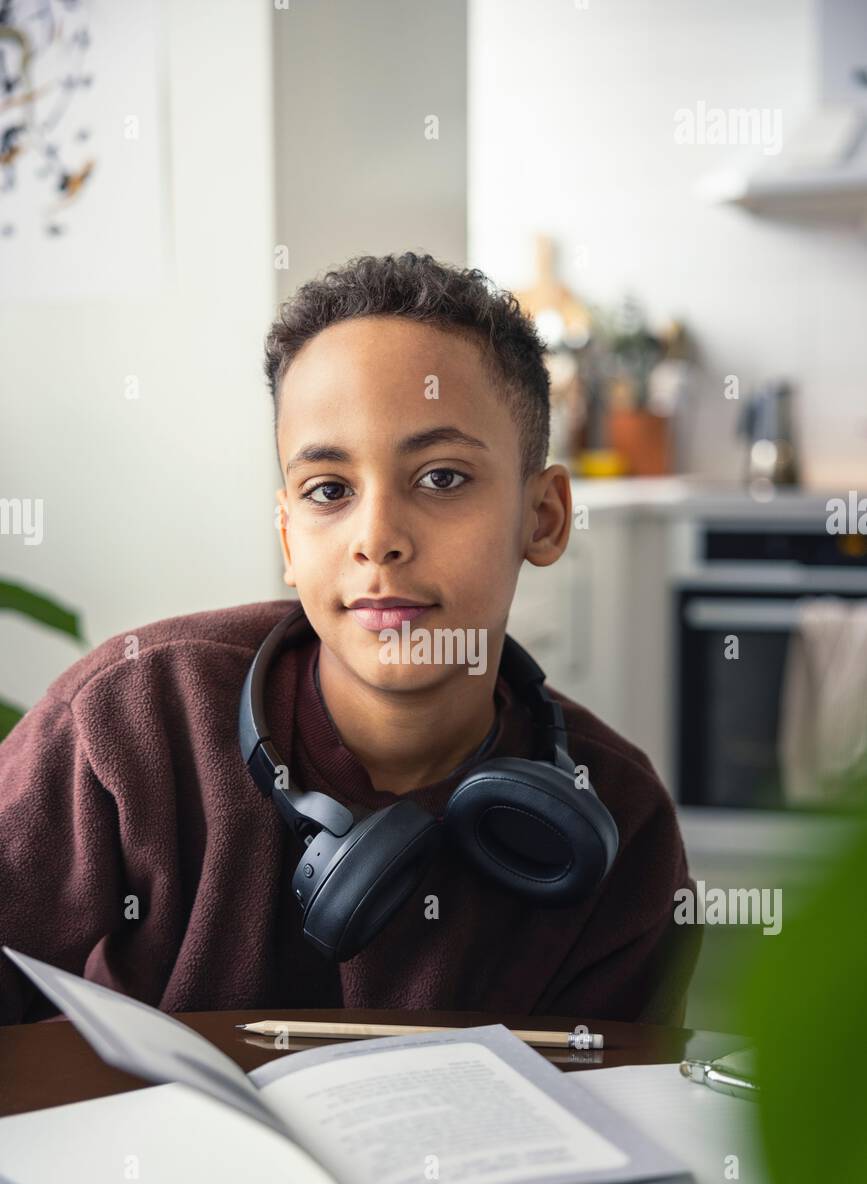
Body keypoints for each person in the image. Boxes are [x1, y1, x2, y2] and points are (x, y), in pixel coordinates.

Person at [0, 251, 701, 1026]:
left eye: (440, 477)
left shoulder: (617, 821)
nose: (377, 540)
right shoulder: (128, 719)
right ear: (289, 540)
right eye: (328, 491)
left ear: (543, 519)